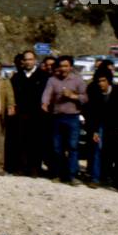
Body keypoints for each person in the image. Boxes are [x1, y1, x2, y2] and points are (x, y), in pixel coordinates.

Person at [41, 55, 87, 183]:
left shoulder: (78, 80)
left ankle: (72, 175)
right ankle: (58, 173)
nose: (63, 69)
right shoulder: (52, 80)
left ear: (71, 67)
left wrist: (73, 96)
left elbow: (85, 98)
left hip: (73, 117)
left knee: (72, 147)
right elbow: (47, 93)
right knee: (57, 147)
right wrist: (44, 103)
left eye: (66, 66)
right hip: (57, 117)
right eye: (61, 66)